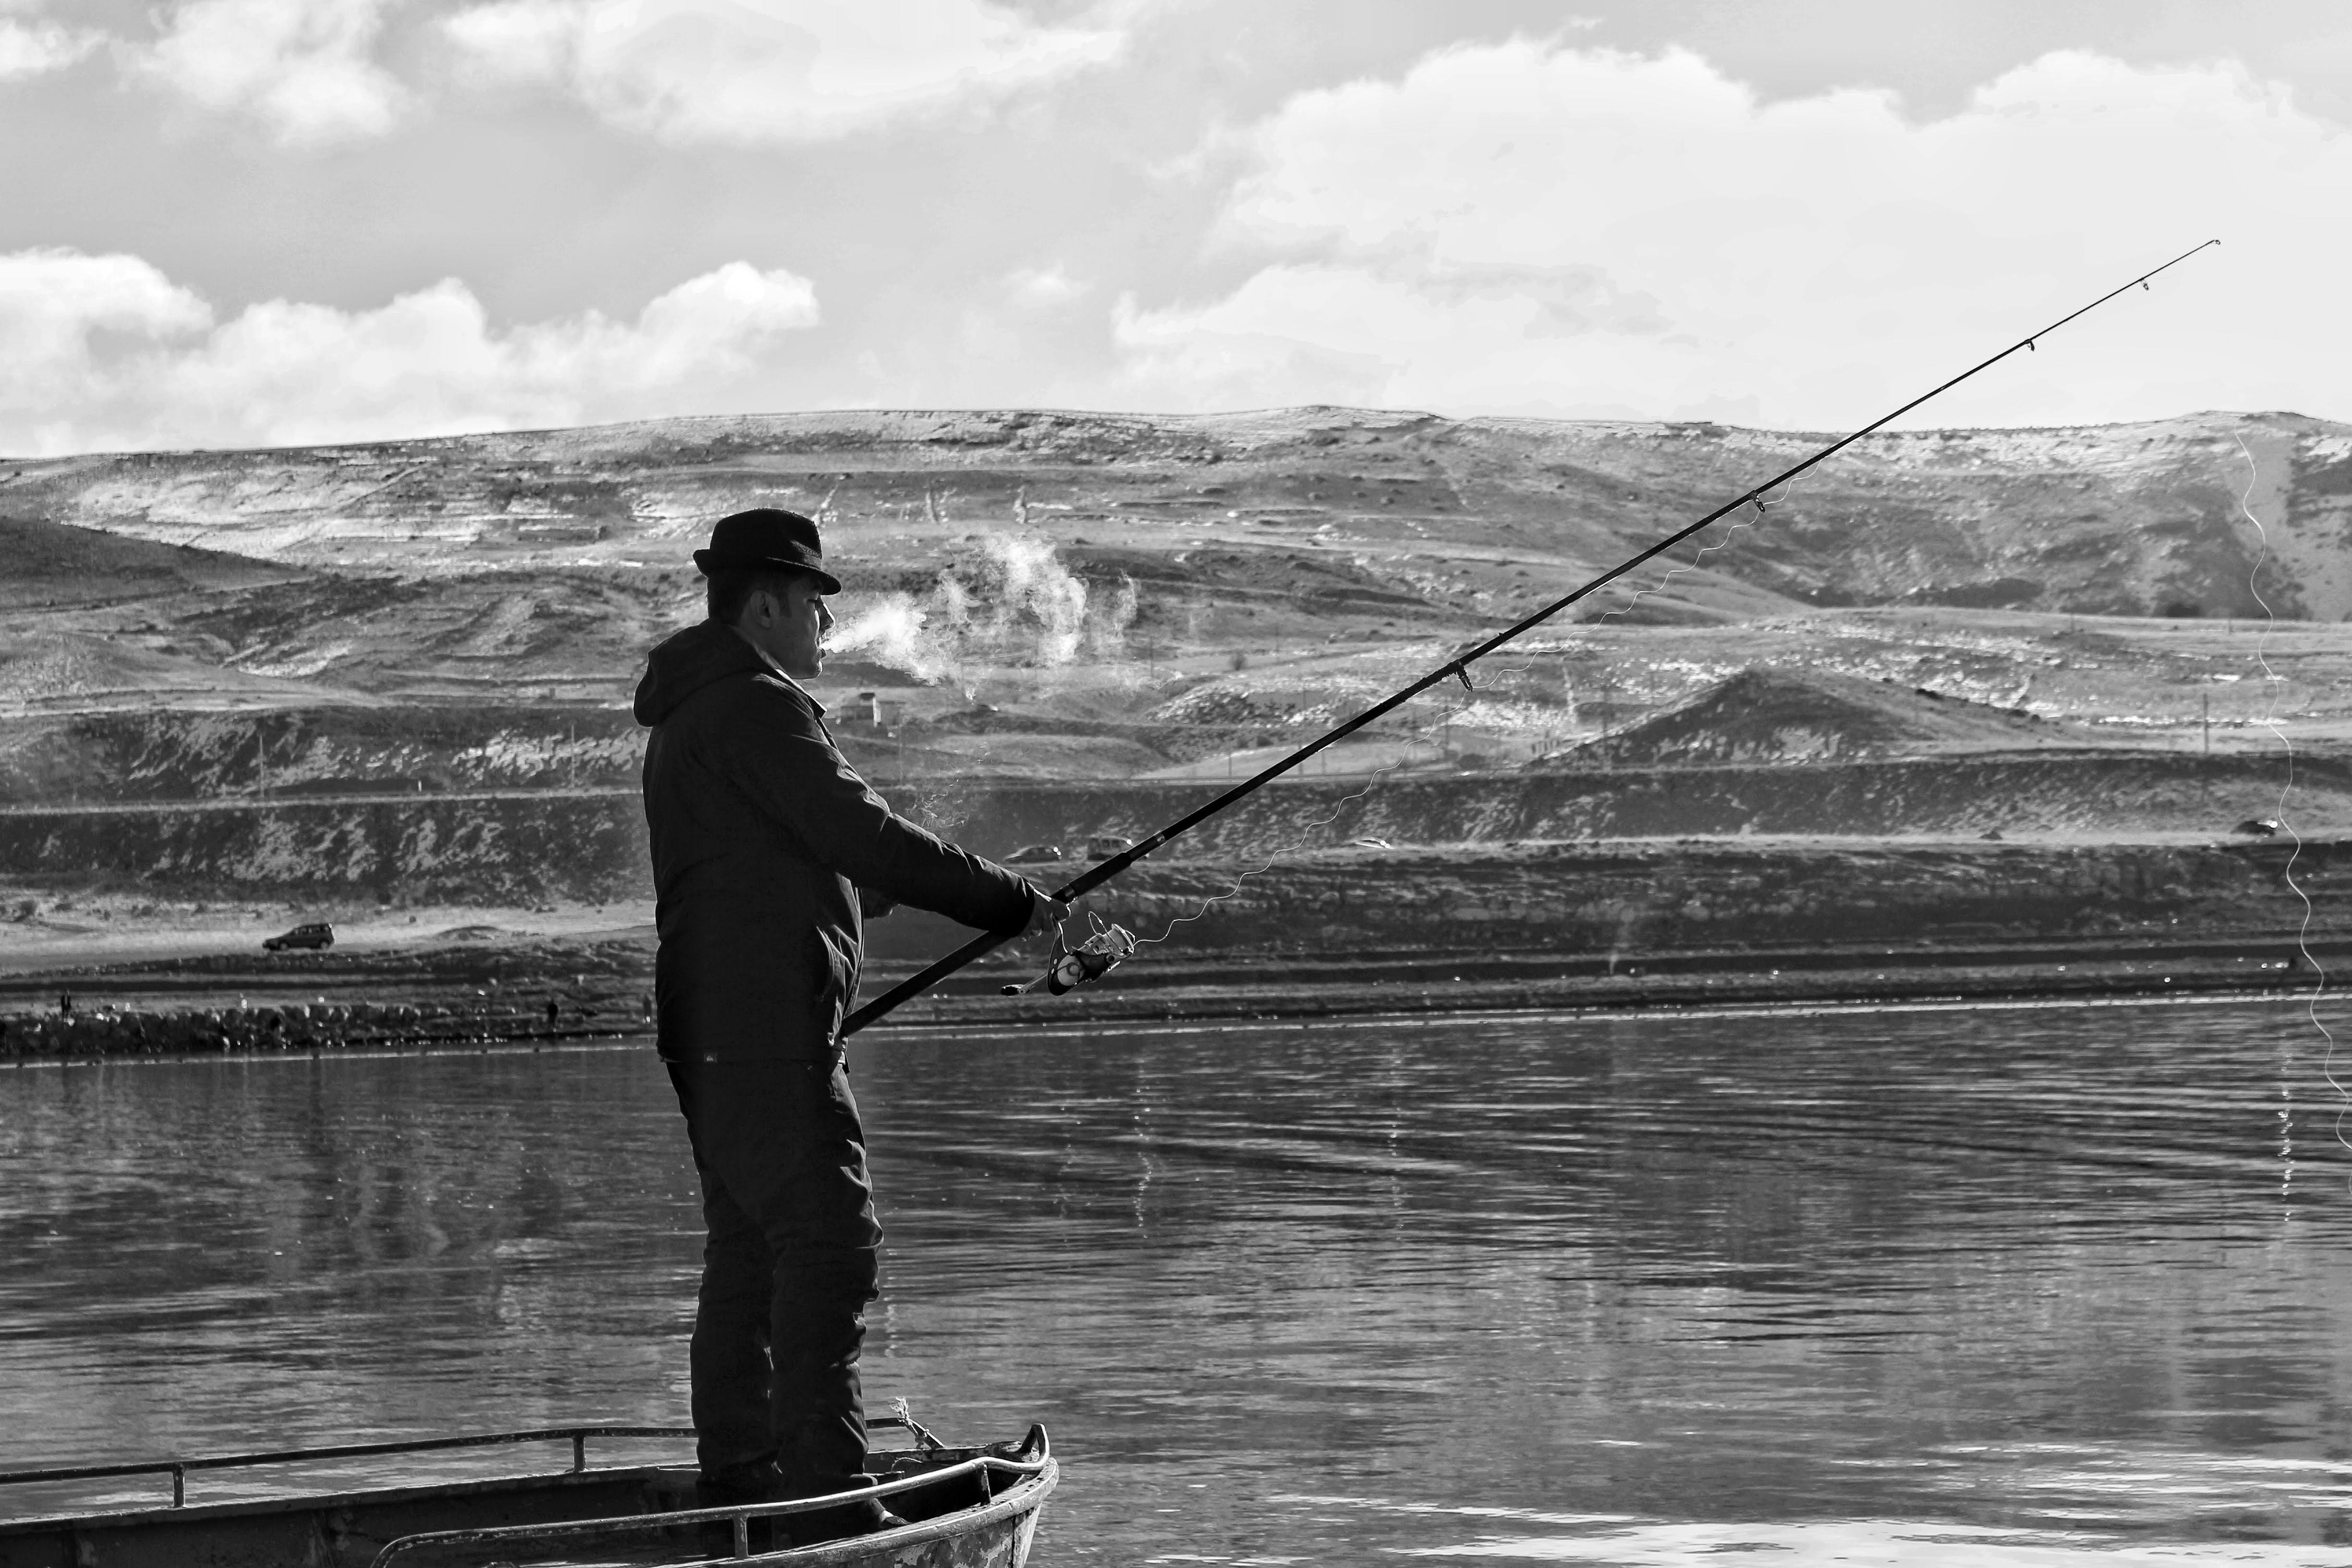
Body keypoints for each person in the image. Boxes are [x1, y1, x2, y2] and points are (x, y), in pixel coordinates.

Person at [632, 507, 1062, 1536]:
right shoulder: (751, 706)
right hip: (765, 1031)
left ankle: (742, 1492)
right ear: (770, 602)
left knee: (750, 1254)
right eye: (817, 605)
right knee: (828, 1246)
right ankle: (830, 1511)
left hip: (715, 1025)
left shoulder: (696, 712)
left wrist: (855, 896)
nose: (828, 628)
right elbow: (858, 831)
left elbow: (783, 862)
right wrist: (1011, 902)